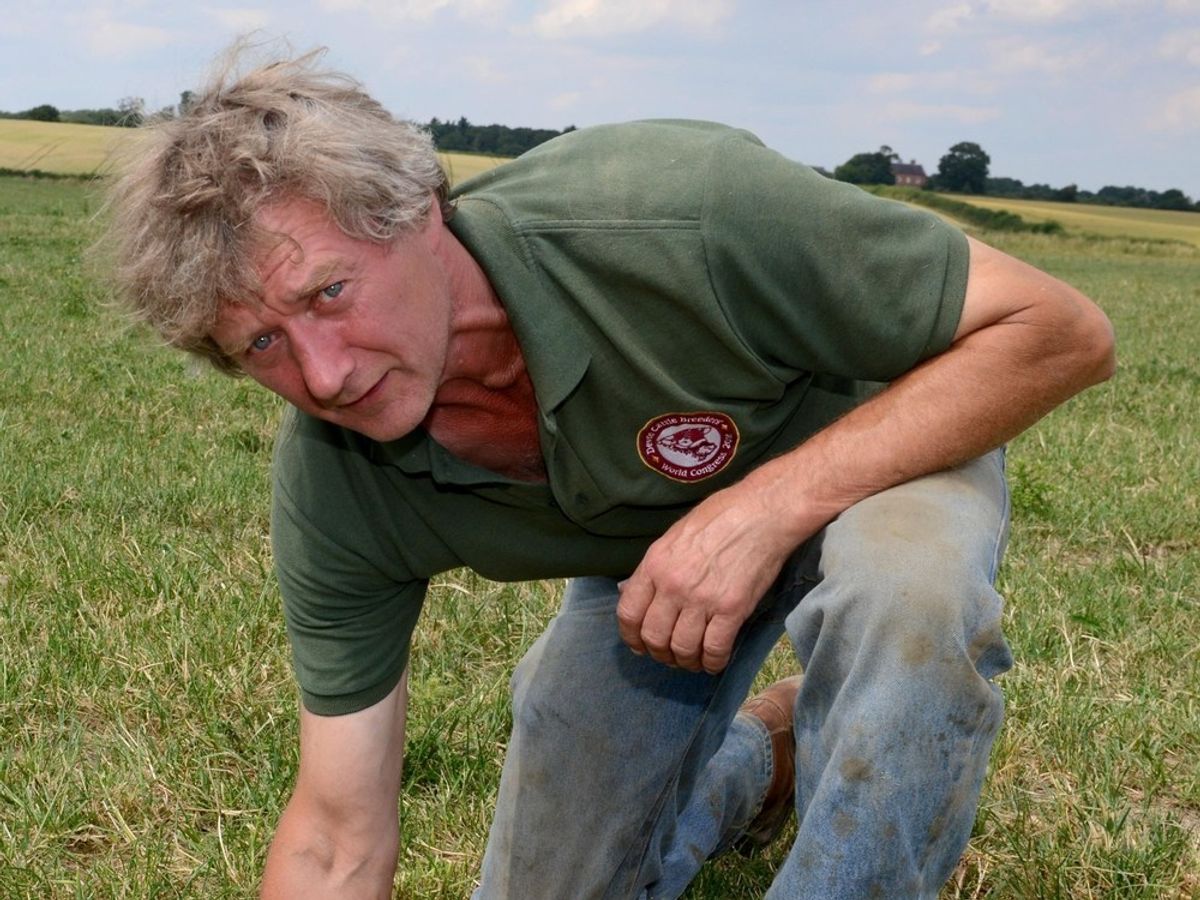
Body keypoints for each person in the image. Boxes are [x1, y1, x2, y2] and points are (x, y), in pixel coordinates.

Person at [103, 48, 1115, 900]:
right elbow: (335, 831)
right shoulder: (337, 478)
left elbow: (1059, 330)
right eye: (264, 344)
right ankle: (763, 764)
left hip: (879, 452)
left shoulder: (682, 207)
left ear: (416, 213)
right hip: (660, 570)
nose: (323, 374)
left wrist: (766, 506)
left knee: (910, 599)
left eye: (330, 291)